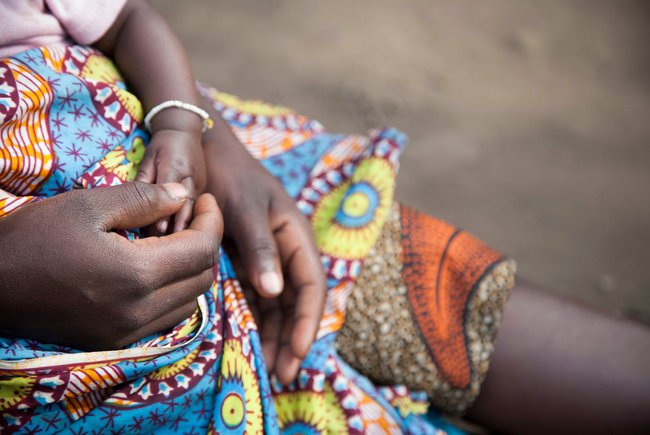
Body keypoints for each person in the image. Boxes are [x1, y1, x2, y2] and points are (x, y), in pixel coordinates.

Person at [0, 1, 648, 434]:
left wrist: (195, 127)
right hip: (65, 370)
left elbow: (126, 18)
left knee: (435, 302)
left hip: (178, 153)